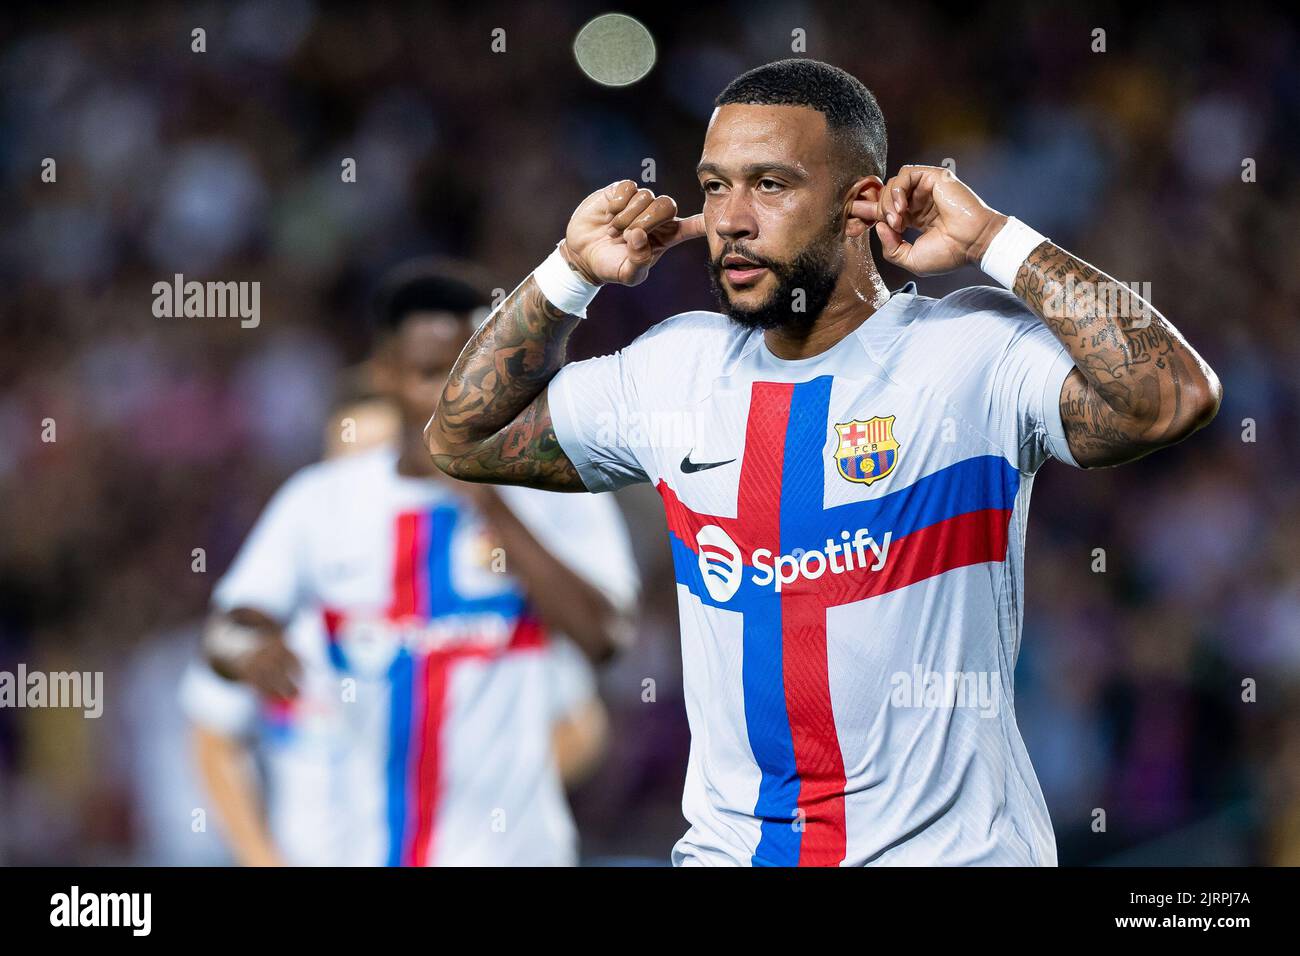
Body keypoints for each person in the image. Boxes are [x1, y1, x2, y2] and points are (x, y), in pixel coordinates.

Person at [424, 59, 1221, 866]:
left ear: (861, 202)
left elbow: (1171, 398)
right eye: (715, 185)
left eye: (769, 185)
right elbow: (464, 438)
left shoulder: (966, 354)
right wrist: (567, 273)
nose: (732, 218)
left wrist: (992, 239)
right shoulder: (672, 372)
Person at [191, 263, 638, 866]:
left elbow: (607, 639)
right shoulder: (321, 500)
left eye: (469, 372)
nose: (454, 395)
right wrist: (248, 648)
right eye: (431, 374)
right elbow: (226, 630)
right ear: (385, 376)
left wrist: (486, 496)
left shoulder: (559, 487)